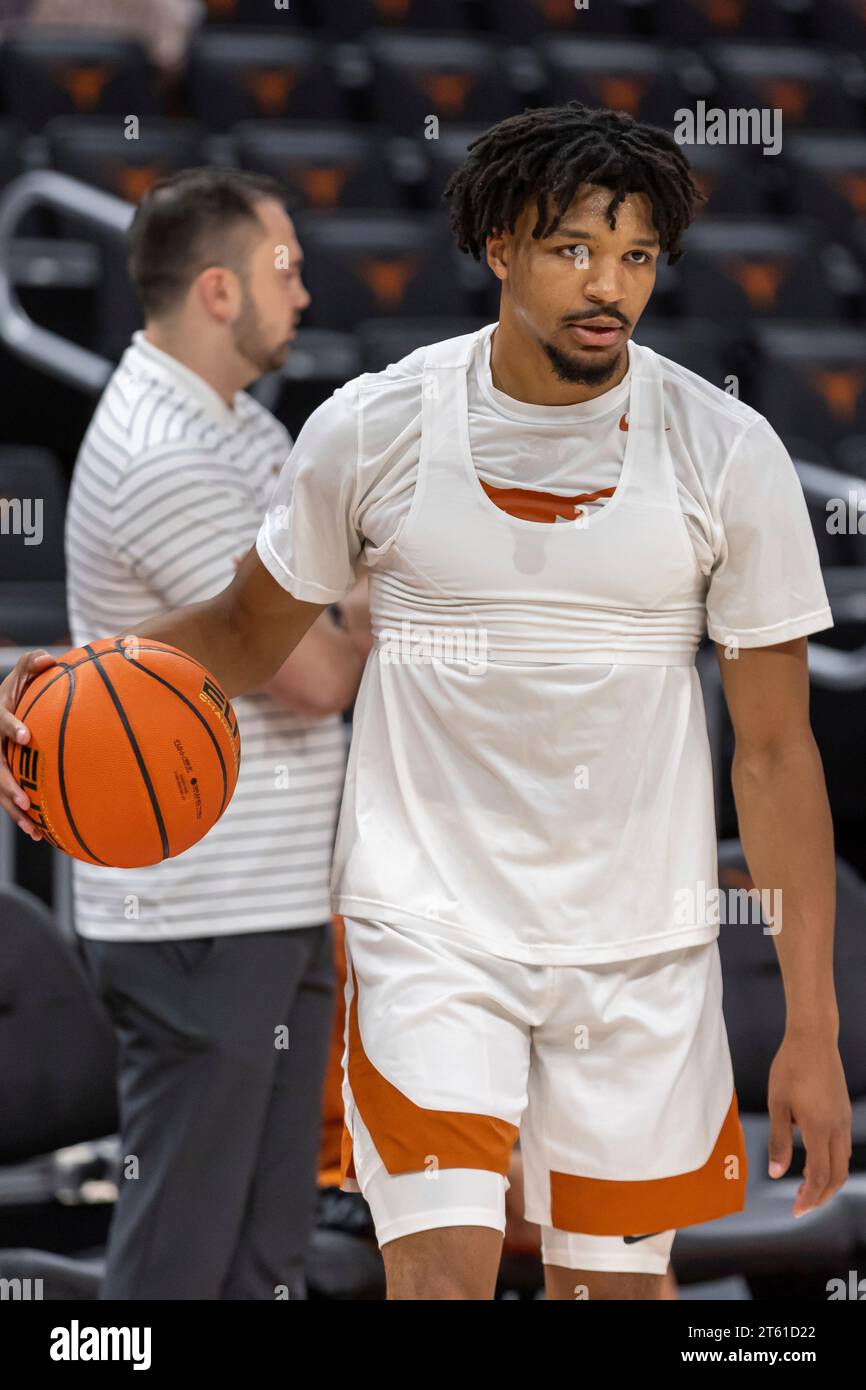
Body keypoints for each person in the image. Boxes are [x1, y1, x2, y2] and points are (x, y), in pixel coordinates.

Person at [1, 104, 851, 1301]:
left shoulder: (727, 450)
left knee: (610, 1294)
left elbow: (773, 754)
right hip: (427, 929)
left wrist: (808, 1027)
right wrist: (70, 673)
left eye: (637, 256)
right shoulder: (372, 425)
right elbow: (245, 631)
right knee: (439, 1278)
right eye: (573, 248)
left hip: (638, 947)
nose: (608, 284)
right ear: (499, 245)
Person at [18, 167, 370, 1300]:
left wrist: (353, 606)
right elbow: (314, 671)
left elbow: (347, 596)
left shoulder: (241, 427)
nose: (305, 294)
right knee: (173, 1270)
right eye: (287, 268)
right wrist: (361, 617)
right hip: (195, 911)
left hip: (268, 898)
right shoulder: (164, 451)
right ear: (220, 290)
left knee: (263, 1263)